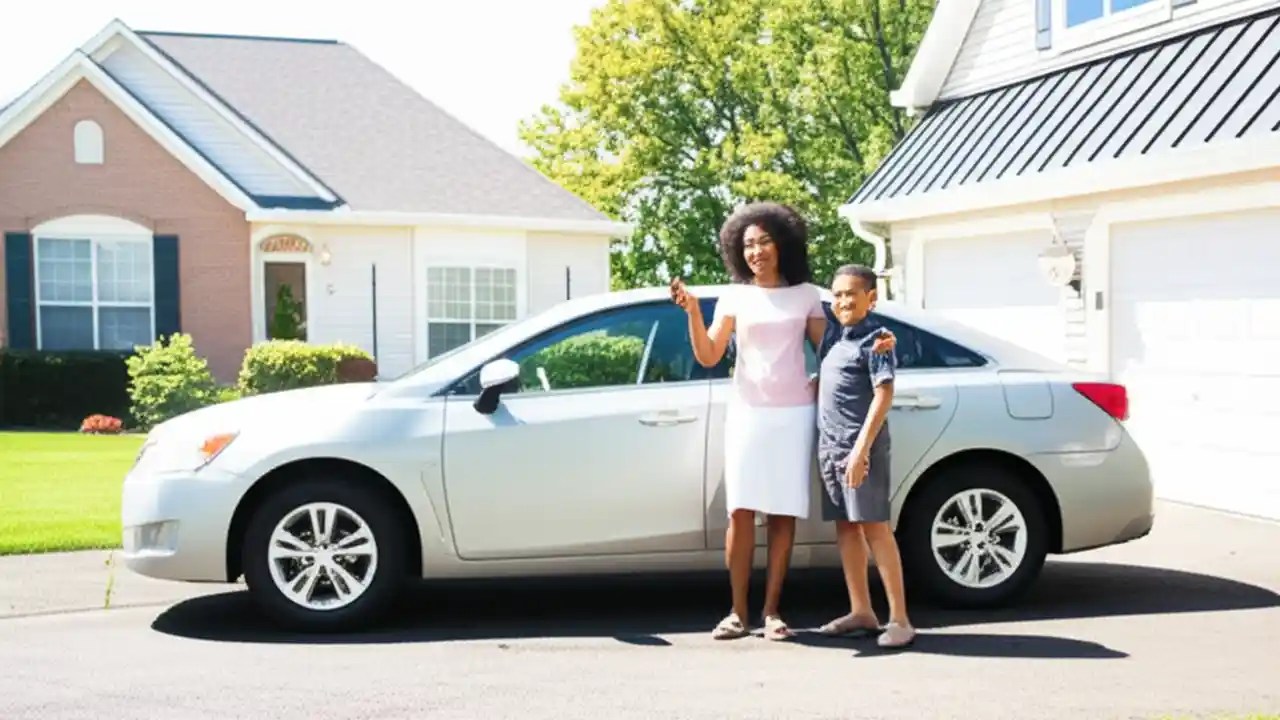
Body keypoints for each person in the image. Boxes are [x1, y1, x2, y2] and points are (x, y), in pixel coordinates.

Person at [669, 202, 894, 641]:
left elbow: (835, 349)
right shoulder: (734, 296)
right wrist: (694, 312)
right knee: (740, 511)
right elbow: (709, 355)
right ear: (739, 250)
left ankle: (772, 611)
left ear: (782, 244)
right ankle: (737, 612)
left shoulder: (807, 295)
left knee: (782, 514)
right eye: (748, 244)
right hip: (748, 414)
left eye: (765, 241)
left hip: (793, 415)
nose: (756, 251)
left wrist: (878, 342)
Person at [815, 263, 915, 649]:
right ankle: (862, 610)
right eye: (837, 294)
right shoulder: (837, 339)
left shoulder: (877, 341)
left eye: (851, 295)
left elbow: (884, 395)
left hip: (860, 451)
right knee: (846, 526)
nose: (842, 301)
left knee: (874, 526)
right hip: (832, 450)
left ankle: (900, 619)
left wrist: (861, 450)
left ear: (871, 299)